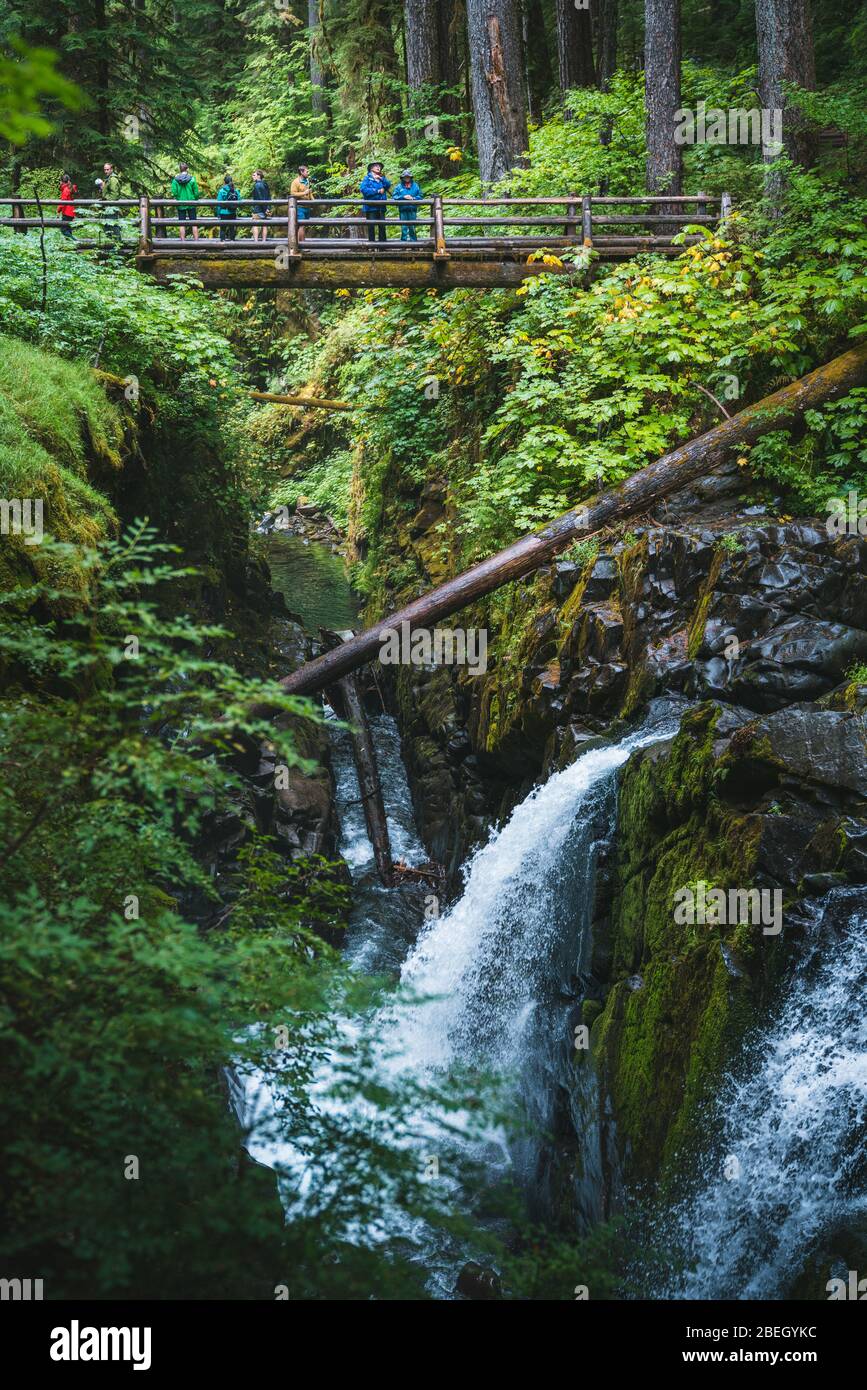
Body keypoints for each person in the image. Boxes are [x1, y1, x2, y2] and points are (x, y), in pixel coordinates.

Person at [360, 160, 391, 243]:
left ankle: (383, 246)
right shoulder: (367, 179)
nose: (378, 167)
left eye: (379, 166)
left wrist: (381, 178)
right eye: (376, 166)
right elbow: (363, 190)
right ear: (371, 168)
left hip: (381, 207)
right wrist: (377, 191)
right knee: (371, 226)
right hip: (371, 207)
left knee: (382, 226)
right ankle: (372, 245)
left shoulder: (381, 178)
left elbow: (388, 185)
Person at [392, 168, 422, 242]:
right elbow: (394, 196)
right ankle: (403, 242)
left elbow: (420, 195)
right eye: (405, 177)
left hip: (412, 209)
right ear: (402, 178)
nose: (407, 178)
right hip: (403, 209)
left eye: (408, 177)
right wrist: (403, 197)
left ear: (410, 177)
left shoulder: (415, 186)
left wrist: (414, 198)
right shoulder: (398, 187)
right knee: (403, 227)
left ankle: (414, 242)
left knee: (412, 226)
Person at [171, 162, 199, 241]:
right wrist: (195, 198)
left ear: (180, 169)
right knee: (194, 223)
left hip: (180, 203)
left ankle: (183, 242)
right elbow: (196, 192)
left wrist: (178, 198)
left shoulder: (175, 180)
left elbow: (174, 192)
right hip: (191, 203)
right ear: (187, 169)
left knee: (181, 223)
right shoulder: (192, 179)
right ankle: (196, 241)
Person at [290, 164, 313, 242]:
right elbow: (292, 194)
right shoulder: (295, 182)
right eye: (307, 171)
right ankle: (303, 245)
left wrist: (313, 201)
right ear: (301, 172)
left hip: (307, 206)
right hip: (300, 207)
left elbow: (309, 192)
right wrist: (304, 193)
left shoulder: (307, 181)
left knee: (304, 225)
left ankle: (300, 243)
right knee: (301, 225)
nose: (308, 173)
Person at [250, 169, 271, 242]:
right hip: (266, 208)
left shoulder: (257, 185)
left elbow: (260, 197)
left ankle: (256, 241)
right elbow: (269, 196)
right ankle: (264, 241)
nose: (252, 176)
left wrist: (265, 209)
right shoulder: (265, 184)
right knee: (264, 225)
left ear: (259, 176)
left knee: (255, 224)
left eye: (254, 175)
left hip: (258, 208)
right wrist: (268, 208)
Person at [217, 174, 239, 241]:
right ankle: (232, 241)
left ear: (224, 182)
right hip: (232, 211)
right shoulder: (235, 190)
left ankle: (222, 241)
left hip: (223, 212)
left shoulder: (221, 191)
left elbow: (219, 203)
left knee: (223, 228)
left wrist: (218, 213)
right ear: (231, 181)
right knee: (232, 228)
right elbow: (239, 200)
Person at [58, 172, 77, 238]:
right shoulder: (70, 188)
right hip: (71, 212)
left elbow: (63, 202)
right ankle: (71, 244)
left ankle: (75, 241)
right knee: (68, 229)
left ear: (62, 182)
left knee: (63, 230)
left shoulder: (66, 190)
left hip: (66, 212)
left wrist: (58, 211)